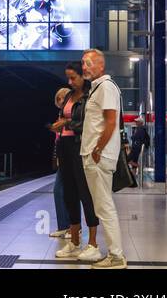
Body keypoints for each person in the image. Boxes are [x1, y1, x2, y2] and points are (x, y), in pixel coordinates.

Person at [78, 49, 126, 269]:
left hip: (99, 157)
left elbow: (110, 122)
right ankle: (115, 255)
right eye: (83, 63)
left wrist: (97, 149)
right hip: (94, 156)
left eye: (88, 63)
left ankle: (116, 257)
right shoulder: (97, 88)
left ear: (100, 65)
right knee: (102, 207)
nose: (84, 67)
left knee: (104, 208)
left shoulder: (106, 87)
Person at [51, 62, 99, 259]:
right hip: (65, 144)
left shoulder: (90, 96)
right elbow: (65, 117)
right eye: (68, 78)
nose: (70, 82)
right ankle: (75, 241)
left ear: (83, 76)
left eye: (73, 78)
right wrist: (59, 126)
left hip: (81, 146)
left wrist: (68, 122)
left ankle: (93, 243)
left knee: (85, 193)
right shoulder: (70, 96)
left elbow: (91, 122)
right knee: (69, 193)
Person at [49, 87, 71, 239]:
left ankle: (72, 228)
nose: (60, 102)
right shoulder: (61, 115)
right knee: (60, 191)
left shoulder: (72, 113)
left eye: (62, 99)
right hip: (63, 155)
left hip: (72, 155)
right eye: (58, 100)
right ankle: (64, 226)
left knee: (67, 192)